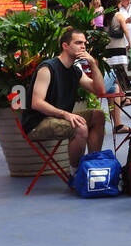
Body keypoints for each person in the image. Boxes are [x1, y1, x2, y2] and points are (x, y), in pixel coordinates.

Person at [20, 28, 111, 171]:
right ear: (65, 46)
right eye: (78, 43)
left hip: (58, 118)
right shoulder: (48, 68)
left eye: (84, 43)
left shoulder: (75, 71)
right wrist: (66, 114)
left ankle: (94, 166)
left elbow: (100, 91)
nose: (83, 47)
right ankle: (75, 173)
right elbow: (37, 103)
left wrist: (93, 64)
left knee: (98, 116)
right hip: (37, 122)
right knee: (80, 128)